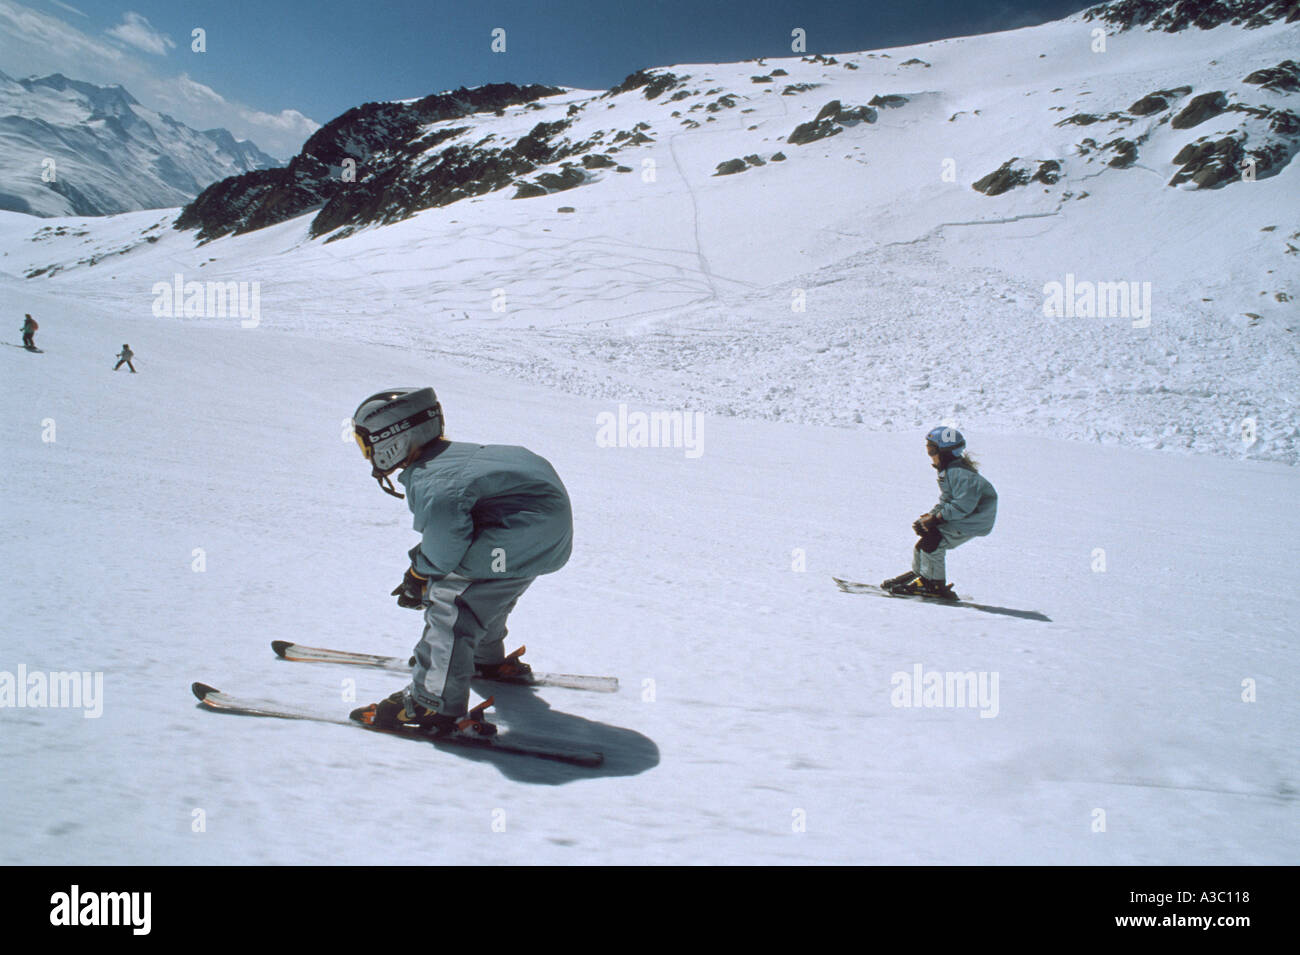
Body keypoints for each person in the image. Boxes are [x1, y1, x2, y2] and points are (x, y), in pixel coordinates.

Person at [347, 388, 573, 738]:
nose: (367, 456)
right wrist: (420, 568)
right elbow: (450, 532)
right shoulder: (453, 460)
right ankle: (486, 658)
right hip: (543, 541)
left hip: (518, 537)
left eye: (365, 446)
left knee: (451, 599)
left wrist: (419, 573)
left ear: (391, 438)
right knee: (486, 591)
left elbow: (445, 546)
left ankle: (430, 703)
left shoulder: (433, 480)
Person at [882, 427, 997, 599]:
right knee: (925, 542)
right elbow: (947, 500)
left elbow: (962, 506)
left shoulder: (961, 475)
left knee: (934, 543)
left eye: (932, 450)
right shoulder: (950, 472)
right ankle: (920, 574)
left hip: (973, 520)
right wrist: (930, 517)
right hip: (964, 517)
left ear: (945, 452)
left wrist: (936, 519)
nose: (929, 455)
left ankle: (934, 584)